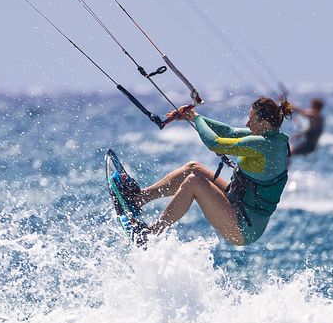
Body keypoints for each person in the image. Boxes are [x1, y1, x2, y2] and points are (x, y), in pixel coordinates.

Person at [117, 97, 292, 246]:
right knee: (193, 168)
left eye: (251, 119)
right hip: (238, 202)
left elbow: (215, 143)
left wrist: (194, 116)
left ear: (264, 123)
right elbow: (229, 132)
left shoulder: (264, 145)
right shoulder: (270, 137)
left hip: (244, 227)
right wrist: (194, 118)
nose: (247, 123)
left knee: (194, 182)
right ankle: (138, 199)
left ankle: (149, 235)